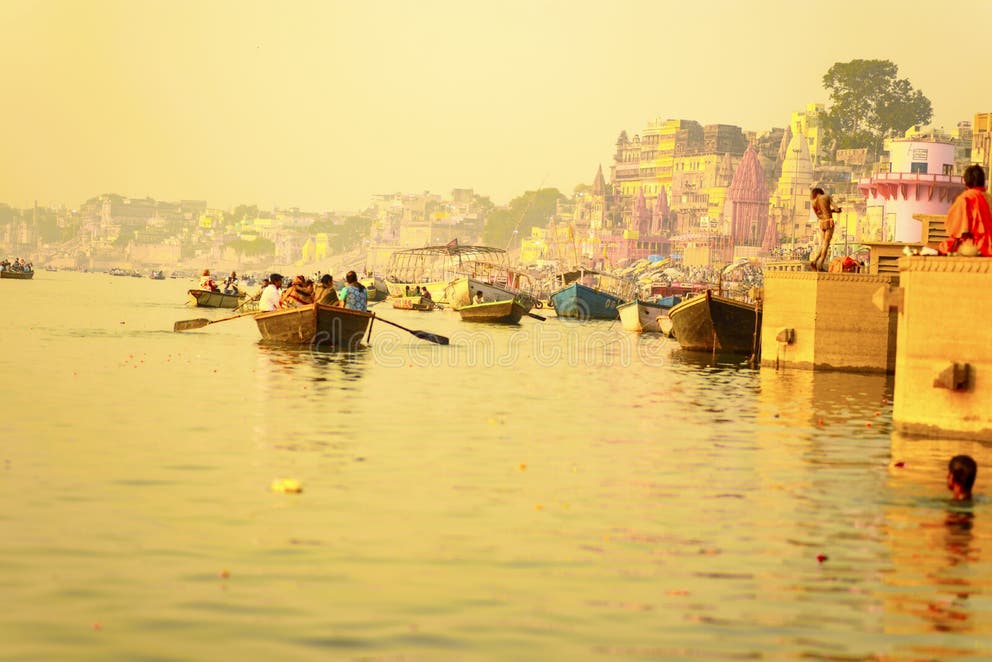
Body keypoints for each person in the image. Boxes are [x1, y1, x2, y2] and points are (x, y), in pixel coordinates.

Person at [940, 164, 992, 257]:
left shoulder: (965, 198)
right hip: (989, 245)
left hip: (974, 247)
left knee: (944, 246)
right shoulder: (989, 198)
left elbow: (954, 230)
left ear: (966, 182)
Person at [810, 187, 841, 272]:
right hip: (829, 222)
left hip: (822, 223)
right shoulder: (826, 197)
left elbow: (819, 215)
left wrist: (830, 211)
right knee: (826, 244)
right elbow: (836, 208)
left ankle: (814, 261)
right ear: (821, 192)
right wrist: (837, 211)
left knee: (823, 244)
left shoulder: (813, 202)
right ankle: (820, 265)